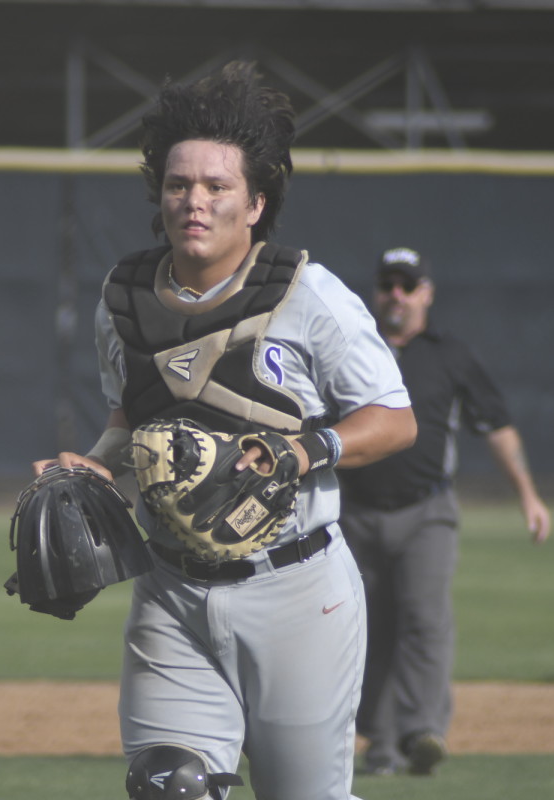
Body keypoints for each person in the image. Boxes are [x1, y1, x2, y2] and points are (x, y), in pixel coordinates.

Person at [32, 62, 416, 800]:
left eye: (216, 187)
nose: (194, 202)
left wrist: (308, 449)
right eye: (179, 185)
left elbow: (394, 420)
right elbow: (129, 422)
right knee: (169, 787)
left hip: (297, 590)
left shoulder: (309, 296)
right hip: (171, 588)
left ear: (256, 201)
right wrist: (89, 470)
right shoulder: (122, 298)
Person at [339, 245, 552, 777]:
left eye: (408, 285)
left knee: (424, 617)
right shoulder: (350, 351)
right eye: (388, 284)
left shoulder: (449, 354)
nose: (396, 295)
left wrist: (527, 493)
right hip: (355, 512)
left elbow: (496, 425)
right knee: (366, 629)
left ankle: (421, 730)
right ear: (376, 291)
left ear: (427, 293)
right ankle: (381, 745)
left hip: (426, 511)